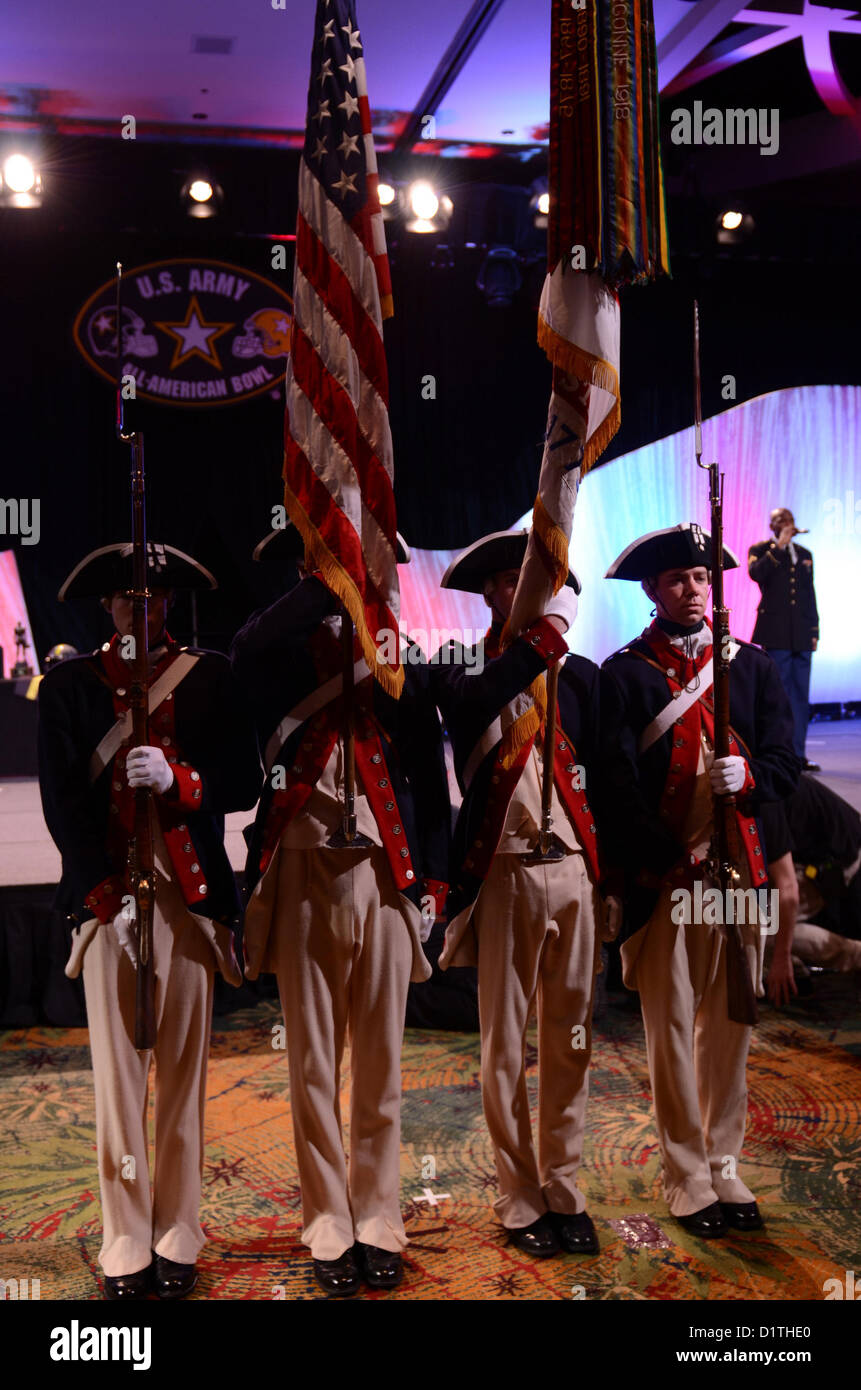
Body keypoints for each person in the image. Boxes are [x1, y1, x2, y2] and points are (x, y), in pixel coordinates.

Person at [37, 542, 261, 1300]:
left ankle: (179, 1229)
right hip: (111, 910)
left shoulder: (211, 678)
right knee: (118, 1083)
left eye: (156, 597)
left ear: (171, 604)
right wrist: (105, 893)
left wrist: (181, 778)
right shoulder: (69, 687)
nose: (143, 607)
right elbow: (63, 804)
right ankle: (127, 1232)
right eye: (129, 598)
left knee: (186, 1079)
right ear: (109, 606)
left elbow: (244, 779)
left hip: (190, 906)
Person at [230, 527, 450, 1298]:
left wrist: (435, 886)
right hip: (302, 869)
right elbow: (247, 648)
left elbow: (428, 769)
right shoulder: (279, 649)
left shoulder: (392, 656)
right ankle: (327, 1217)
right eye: (332, 559)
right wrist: (323, 587)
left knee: (382, 1062)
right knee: (313, 1060)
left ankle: (378, 1214)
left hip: (387, 875)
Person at [601, 523, 799, 1239]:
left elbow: (783, 757)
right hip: (669, 880)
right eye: (678, 579)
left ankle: (722, 1162)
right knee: (671, 1032)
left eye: (700, 577)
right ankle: (684, 1173)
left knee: (729, 1028)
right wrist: (661, 853)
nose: (692, 590)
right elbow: (615, 786)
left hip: (738, 874)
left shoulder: (746, 665)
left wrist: (748, 777)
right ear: (652, 590)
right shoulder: (624, 672)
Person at [430, 529, 619, 1259]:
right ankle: (517, 1194)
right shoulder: (460, 669)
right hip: (503, 869)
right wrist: (539, 642)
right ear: (490, 595)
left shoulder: (582, 678)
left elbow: (606, 776)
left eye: (540, 580)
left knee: (571, 1036)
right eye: (514, 581)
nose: (529, 591)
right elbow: (480, 700)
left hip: (572, 865)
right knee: (504, 1046)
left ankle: (564, 1187)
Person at [748, 507, 820, 770]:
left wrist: (814, 631)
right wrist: (779, 546)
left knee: (801, 696)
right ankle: (780, 756)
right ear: (772, 526)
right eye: (781, 521)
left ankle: (798, 754)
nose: (788, 524)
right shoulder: (760, 550)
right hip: (776, 635)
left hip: (801, 635)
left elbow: (808, 595)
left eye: (790, 520)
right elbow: (757, 574)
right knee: (780, 696)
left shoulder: (805, 555)